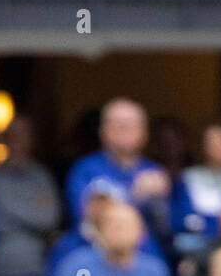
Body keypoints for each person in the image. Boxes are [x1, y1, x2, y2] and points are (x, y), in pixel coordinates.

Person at [64, 97, 170, 259]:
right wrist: (133, 196)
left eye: (132, 125)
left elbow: (169, 228)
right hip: (96, 256)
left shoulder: (154, 172)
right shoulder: (85, 169)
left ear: (144, 133)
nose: (125, 130)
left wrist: (160, 202)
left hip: (143, 257)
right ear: (103, 131)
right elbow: (84, 219)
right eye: (119, 124)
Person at [0, 115, 61, 276]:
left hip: (37, 268)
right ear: (3, 140)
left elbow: (49, 218)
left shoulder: (41, 176)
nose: (17, 141)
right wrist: (31, 208)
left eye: (23, 135)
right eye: (12, 135)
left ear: (32, 139)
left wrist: (6, 208)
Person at [48, 200, 171, 276]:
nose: (120, 231)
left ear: (142, 233)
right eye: (115, 225)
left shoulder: (154, 270)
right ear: (100, 233)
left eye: (127, 225)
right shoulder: (81, 267)